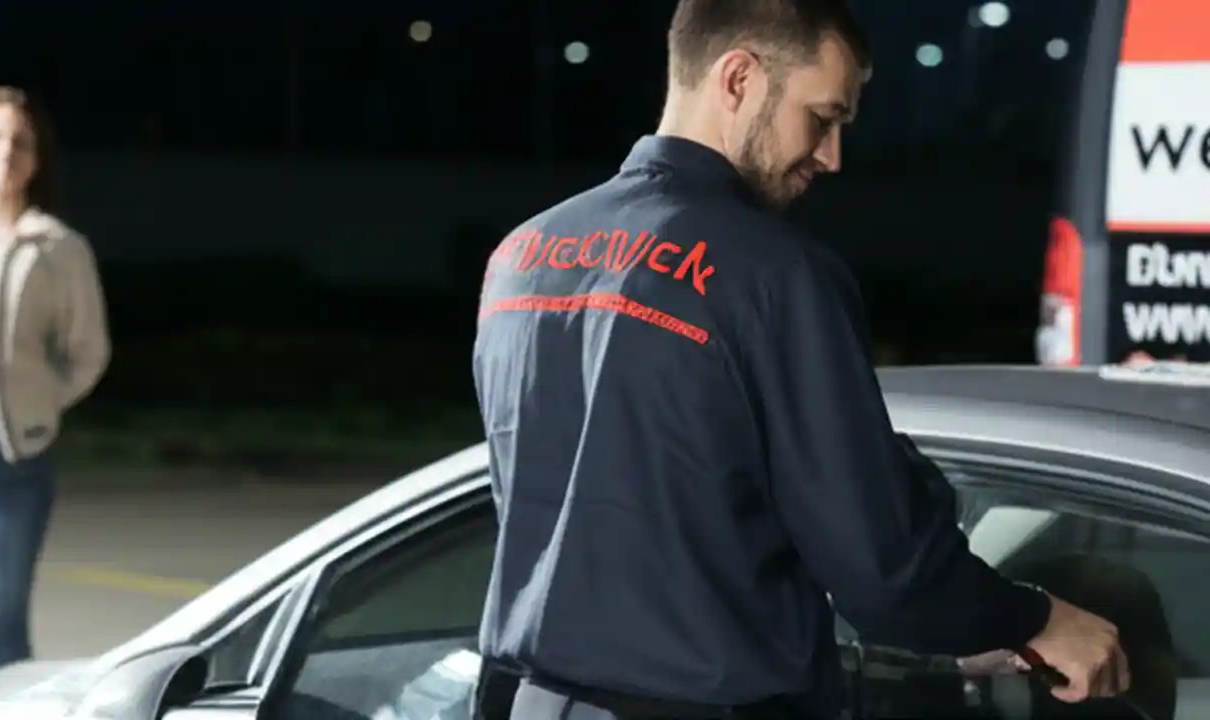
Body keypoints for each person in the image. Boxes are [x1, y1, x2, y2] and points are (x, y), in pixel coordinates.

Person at [469, 1, 1130, 718]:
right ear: (739, 78)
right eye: (822, 119)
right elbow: (885, 572)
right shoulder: (771, 275)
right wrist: (1035, 620)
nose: (831, 157)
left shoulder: (522, 258)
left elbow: (606, 517)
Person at [0, 86, 111, 691]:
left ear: (36, 158)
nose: (6, 151)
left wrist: (40, 407)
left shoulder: (59, 249)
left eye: (21, 140)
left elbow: (89, 353)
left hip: (14, 457)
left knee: (6, 624)